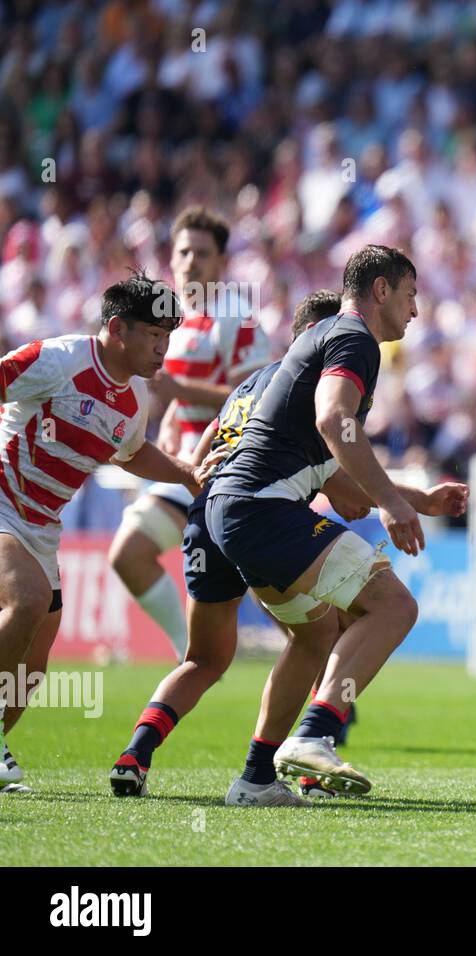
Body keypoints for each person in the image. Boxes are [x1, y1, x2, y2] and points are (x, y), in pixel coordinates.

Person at [204, 245, 467, 795]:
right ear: (381, 290)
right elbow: (334, 418)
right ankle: (314, 736)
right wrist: (394, 506)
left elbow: (341, 486)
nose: (415, 311)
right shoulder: (354, 338)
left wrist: (416, 498)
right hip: (261, 508)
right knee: (395, 604)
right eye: (411, 295)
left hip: (234, 511)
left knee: (313, 637)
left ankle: (254, 779)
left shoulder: (321, 340)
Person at [109, 290, 369, 805]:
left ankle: (135, 753)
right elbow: (351, 498)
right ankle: (280, 766)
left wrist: (203, 493)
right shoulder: (309, 395)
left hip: (208, 515)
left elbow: (208, 437)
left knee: (203, 659)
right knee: (321, 634)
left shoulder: (255, 382)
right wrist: (403, 500)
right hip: (256, 520)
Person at [0, 272, 219, 793]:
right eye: (153, 335)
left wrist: (187, 473)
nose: (162, 348)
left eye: (168, 337)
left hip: (42, 527)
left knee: (34, 661)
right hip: (3, 505)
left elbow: (133, 451)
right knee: (26, 602)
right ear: (117, 328)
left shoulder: (134, 400)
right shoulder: (58, 359)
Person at [109, 207, 270, 660]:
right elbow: (178, 396)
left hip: (226, 464)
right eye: (184, 251)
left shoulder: (236, 315)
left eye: (203, 253)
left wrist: (183, 390)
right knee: (129, 556)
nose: (191, 261)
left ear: (222, 262)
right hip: (185, 467)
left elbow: (259, 397)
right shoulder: (175, 321)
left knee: (268, 585)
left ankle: (324, 665)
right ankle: (192, 652)